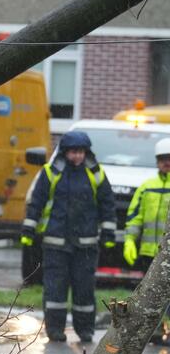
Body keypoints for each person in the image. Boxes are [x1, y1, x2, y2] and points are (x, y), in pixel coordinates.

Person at [21, 131, 116, 342]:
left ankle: (85, 331)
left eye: (81, 152)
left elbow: (107, 204)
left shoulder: (95, 174)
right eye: (74, 152)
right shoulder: (51, 172)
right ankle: (55, 330)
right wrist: (29, 229)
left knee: (84, 291)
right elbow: (36, 202)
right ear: (65, 152)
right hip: (56, 244)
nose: (78, 156)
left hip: (86, 245)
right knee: (55, 290)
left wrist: (108, 232)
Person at [123, 137, 170, 345]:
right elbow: (135, 217)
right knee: (150, 297)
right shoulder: (146, 187)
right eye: (163, 159)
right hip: (149, 252)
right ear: (157, 161)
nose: (166, 163)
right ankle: (154, 332)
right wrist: (129, 240)